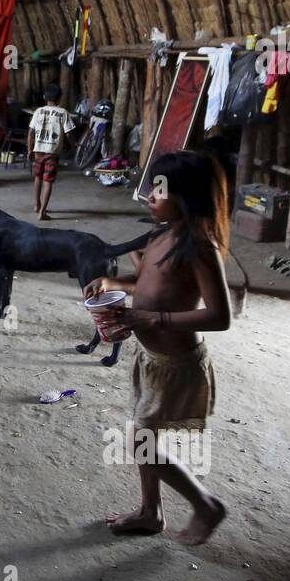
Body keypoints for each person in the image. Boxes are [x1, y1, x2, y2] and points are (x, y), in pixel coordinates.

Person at [84, 150, 232, 546]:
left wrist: (155, 320)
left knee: (140, 442)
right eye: (152, 187)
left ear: (188, 197)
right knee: (144, 434)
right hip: (150, 359)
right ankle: (151, 513)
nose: (150, 195)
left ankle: (205, 505)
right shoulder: (160, 235)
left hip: (178, 364)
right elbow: (148, 283)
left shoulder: (200, 246)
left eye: (161, 190)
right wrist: (113, 284)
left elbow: (220, 316)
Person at [26, 83, 73, 220]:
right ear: (60, 98)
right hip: (52, 152)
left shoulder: (38, 111)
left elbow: (30, 133)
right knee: (48, 181)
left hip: (38, 151)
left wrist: (29, 149)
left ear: (44, 97)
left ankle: (36, 205)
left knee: (38, 177)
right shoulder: (63, 113)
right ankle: (42, 212)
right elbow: (69, 133)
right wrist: (74, 146)